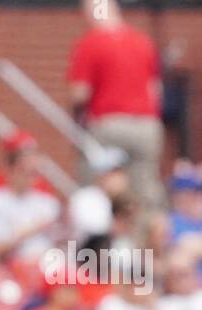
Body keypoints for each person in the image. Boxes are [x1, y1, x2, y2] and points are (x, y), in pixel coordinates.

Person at [66, 0, 164, 215]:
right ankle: (141, 244)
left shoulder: (91, 43)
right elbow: (155, 90)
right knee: (143, 189)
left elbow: (80, 93)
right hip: (147, 125)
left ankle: (97, 241)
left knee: (93, 184)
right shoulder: (143, 42)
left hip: (109, 123)